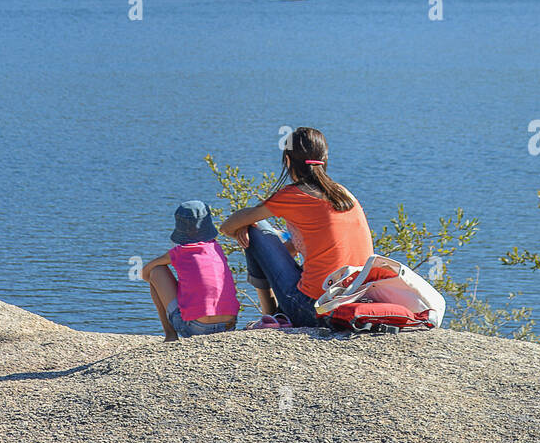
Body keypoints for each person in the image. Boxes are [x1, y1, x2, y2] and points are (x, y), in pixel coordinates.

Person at [219, 127, 373, 328]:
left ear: (289, 161)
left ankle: (270, 314)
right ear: (325, 160)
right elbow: (312, 244)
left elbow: (227, 226)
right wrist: (272, 253)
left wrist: (244, 230)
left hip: (311, 310)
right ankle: (275, 313)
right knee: (254, 227)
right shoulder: (344, 194)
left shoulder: (294, 195)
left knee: (255, 227)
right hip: (353, 301)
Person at [142, 200, 239, 341]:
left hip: (197, 327)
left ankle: (170, 335)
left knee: (156, 271)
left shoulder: (180, 252)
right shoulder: (216, 248)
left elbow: (146, 272)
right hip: (229, 326)